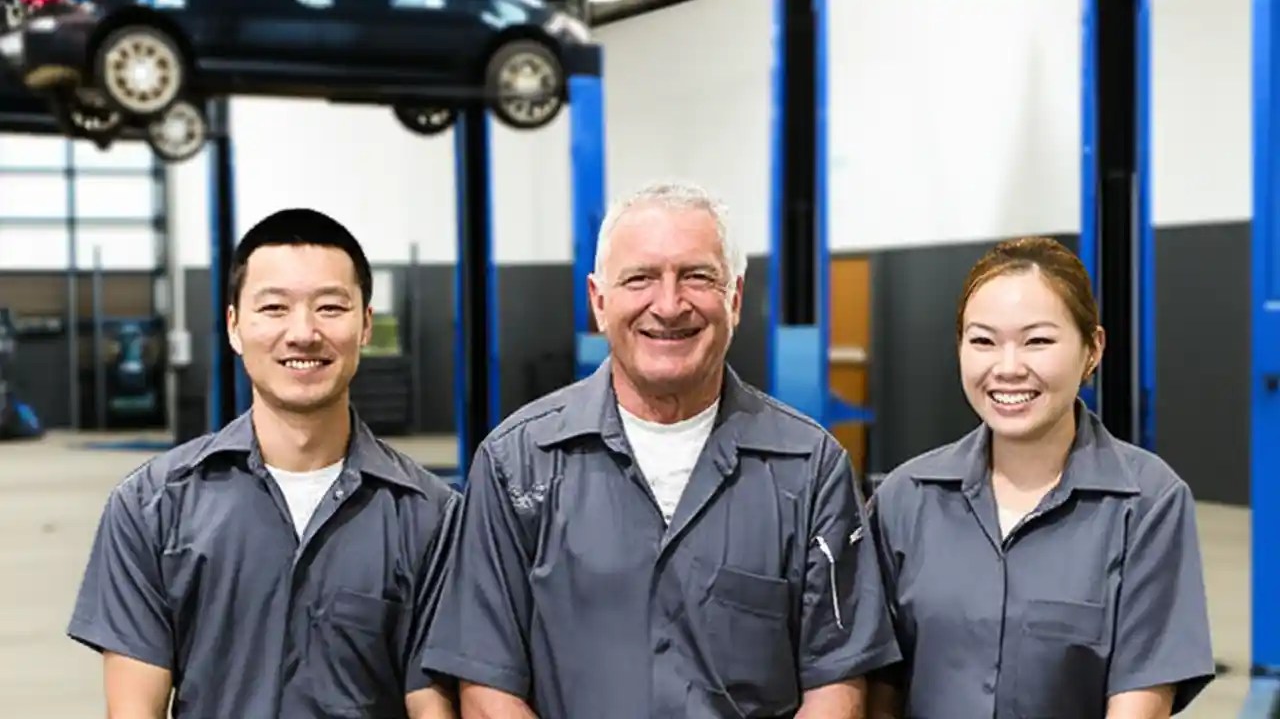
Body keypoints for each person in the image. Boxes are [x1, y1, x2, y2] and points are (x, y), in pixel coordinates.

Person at [420, 181, 901, 718]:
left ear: (735, 299)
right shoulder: (516, 465)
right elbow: (487, 688)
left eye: (697, 277)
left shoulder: (810, 469)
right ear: (599, 303)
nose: (669, 305)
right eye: (640, 278)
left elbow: (837, 686)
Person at [66, 208, 459, 718]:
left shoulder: (431, 516)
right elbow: (133, 709)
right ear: (234, 327)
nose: (303, 333)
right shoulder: (152, 507)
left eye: (330, 308)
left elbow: (431, 708)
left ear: (365, 325)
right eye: (274, 308)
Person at [865, 237, 1216, 718]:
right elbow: (880, 689)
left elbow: (1143, 698)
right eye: (983, 340)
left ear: (1092, 349)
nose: (1008, 368)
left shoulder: (1149, 503)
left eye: (1038, 340)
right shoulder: (904, 499)